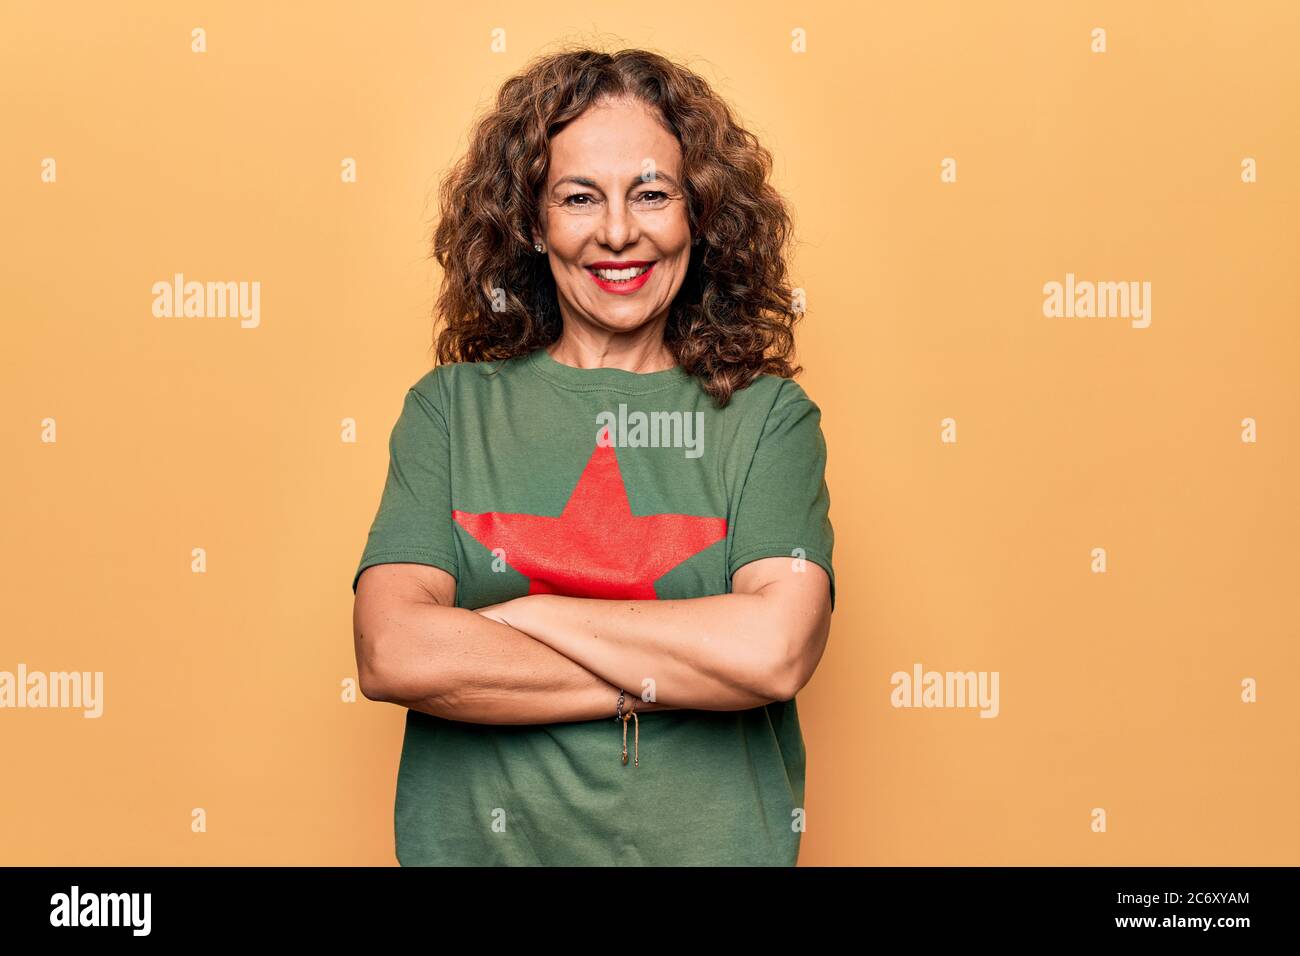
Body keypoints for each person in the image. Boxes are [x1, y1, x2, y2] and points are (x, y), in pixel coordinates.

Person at [351, 47, 835, 866]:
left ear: (701, 215)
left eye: (652, 193)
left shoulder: (769, 420)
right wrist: (676, 677)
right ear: (533, 225)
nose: (618, 231)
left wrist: (523, 621)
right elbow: (393, 651)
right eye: (580, 197)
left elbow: (774, 651)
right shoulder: (448, 411)